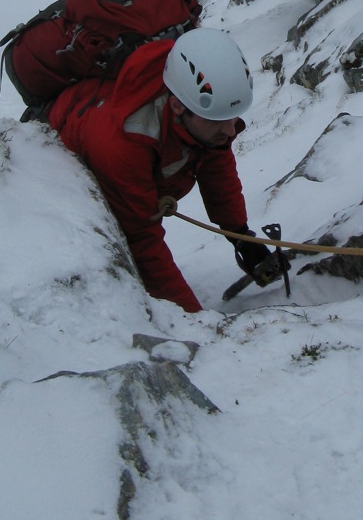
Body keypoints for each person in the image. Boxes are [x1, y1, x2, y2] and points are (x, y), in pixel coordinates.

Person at [48, 27, 276, 312]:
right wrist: (193, 319)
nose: (231, 131)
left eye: (233, 118)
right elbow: (142, 241)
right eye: (220, 121)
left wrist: (241, 236)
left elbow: (217, 168)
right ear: (178, 107)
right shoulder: (124, 144)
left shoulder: (203, 112)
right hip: (68, 168)